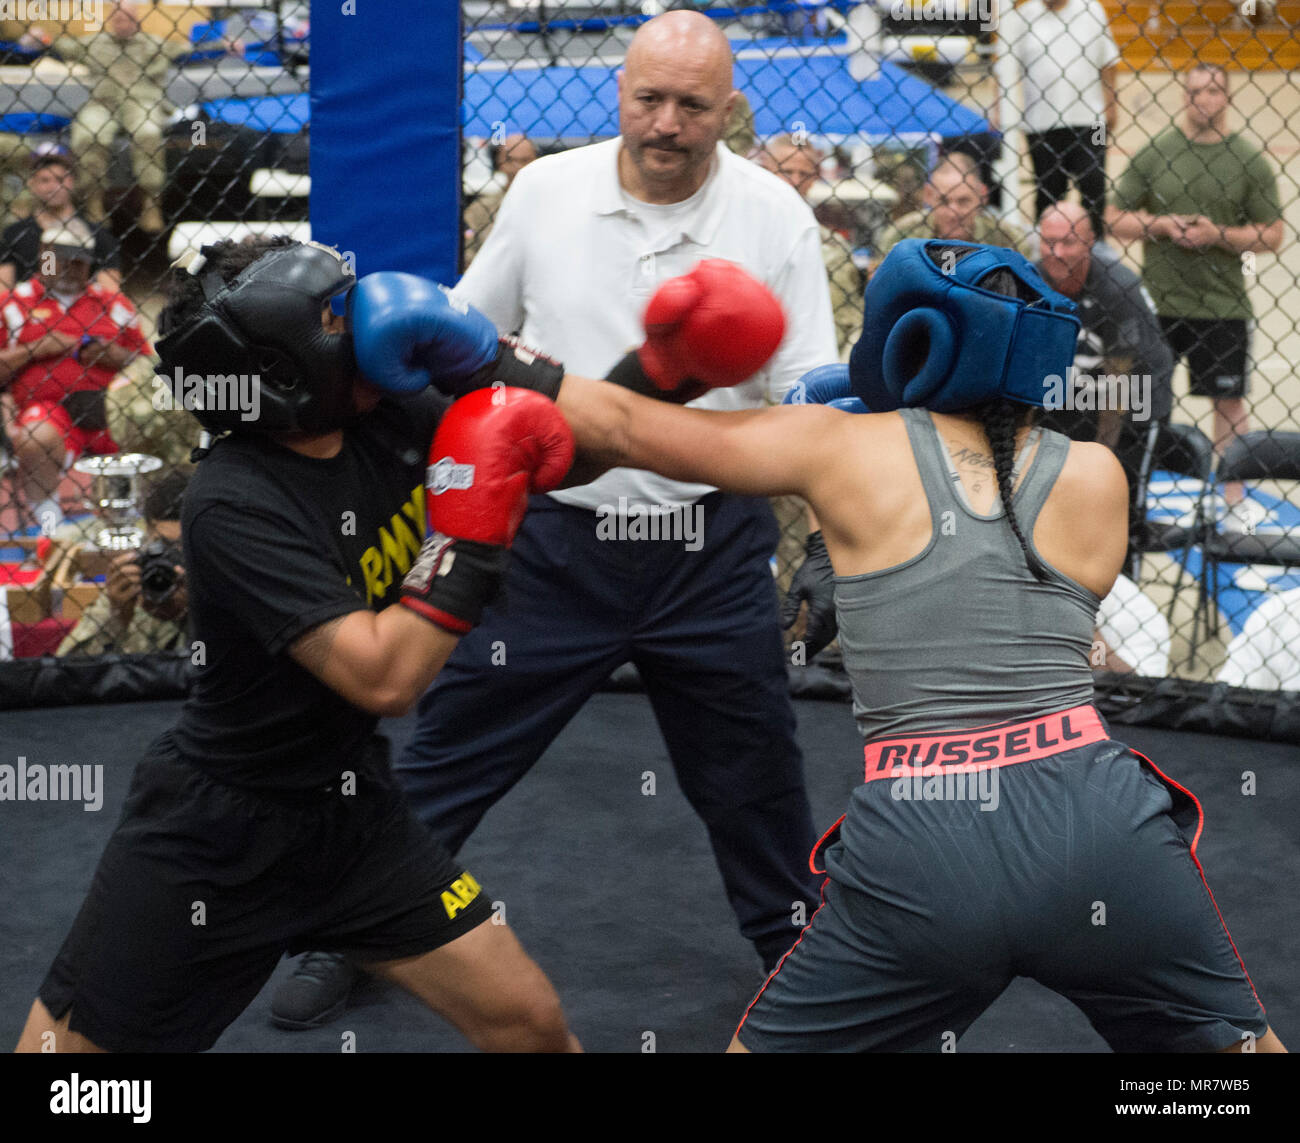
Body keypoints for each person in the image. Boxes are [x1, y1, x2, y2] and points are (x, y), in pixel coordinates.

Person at [542, 238, 1284, 1053]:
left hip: (926, 843)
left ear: (908, 340)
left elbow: (610, 428)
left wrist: (480, 352)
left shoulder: (836, 446)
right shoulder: (1099, 476)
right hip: (1102, 831)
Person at [272, 8, 836, 1027]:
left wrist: (840, 511)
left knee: (753, 774)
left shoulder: (774, 217)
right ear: (618, 91)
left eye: (691, 106)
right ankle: (350, 928)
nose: (665, 122)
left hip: (705, 550)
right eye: (648, 98)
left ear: (730, 111)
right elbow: (461, 339)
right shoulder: (544, 192)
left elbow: (807, 396)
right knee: (449, 752)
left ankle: (796, 950)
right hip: (553, 542)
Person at [14, 236, 584, 1053]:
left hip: (351, 815)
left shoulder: (393, 415)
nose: (357, 329)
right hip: (218, 835)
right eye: (329, 318)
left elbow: (586, 444)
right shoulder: (231, 498)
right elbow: (385, 678)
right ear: (281, 370)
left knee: (528, 1023)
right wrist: (471, 533)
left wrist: (650, 368)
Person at [1107, 63, 1284, 531]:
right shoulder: (1156, 154)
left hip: (1222, 306)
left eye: (1212, 90)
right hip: (1159, 303)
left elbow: (1272, 235)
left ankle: (1231, 498)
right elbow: (1111, 217)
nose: (1202, 99)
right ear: (1183, 96)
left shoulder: (1248, 161)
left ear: (1226, 97)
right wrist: (1161, 226)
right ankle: (1124, 488)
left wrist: (1218, 235)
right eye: (1194, 90)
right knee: (1138, 397)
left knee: (1228, 403)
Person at [1036, 201, 1174, 564]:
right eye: (1048, 242)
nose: (1057, 252)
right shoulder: (1031, 281)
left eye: (1068, 242)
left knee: (1115, 503)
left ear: (1089, 243)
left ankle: (1123, 582)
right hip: (1072, 394)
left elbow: (1119, 386)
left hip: (1135, 397)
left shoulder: (1118, 288)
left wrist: (1100, 461)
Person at [0, 223, 150, 537]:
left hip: (112, 411)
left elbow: (151, 367)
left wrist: (117, 356)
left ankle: (125, 531)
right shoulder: (14, 304)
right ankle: (50, 530)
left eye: (78, 262)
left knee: (149, 422)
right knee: (35, 434)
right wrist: (34, 349)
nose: (69, 268)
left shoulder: (114, 304)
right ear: (44, 257)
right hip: (53, 413)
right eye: (60, 259)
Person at [50, 1, 186, 233]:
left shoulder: (153, 43)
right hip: (104, 102)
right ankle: (93, 201)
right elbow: (60, 46)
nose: (123, 23)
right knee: (87, 135)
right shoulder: (95, 42)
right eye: (119, 18)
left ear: (138, 20)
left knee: (148, 134)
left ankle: (151, 202)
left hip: (141, 100)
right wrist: (40, 39)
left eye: (128, 18)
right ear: (112, 20)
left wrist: (226, 45)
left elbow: (191, 50)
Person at [992, 0, 1119, 238]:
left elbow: (1108, 62)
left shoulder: (1091, 9)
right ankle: (1047, 247)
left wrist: (1111, 105)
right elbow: (1004, 69)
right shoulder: (1022, 17)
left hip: (1093, 122)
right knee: (1048, 190)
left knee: (1094, 183)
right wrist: (998, 108)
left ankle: (1096, 246)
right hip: (1040, 123)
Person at [56, 467, 190, 657]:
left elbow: (204, 664)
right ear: (148, 536)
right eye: (166, 545)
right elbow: (68, 673)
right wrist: (117, 618)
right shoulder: (134, 581)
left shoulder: (228, 590)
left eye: (188, 547)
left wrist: (192, 614)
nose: (177, 558)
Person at [757, 134, 862, 357]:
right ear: (766, 171)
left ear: (814, 178)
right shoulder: (742, 231)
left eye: (803, 174)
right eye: (786, 171)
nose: (795, 181)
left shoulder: (834, 248)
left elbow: (848, 325)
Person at [871, 153, 1032, 272]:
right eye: (943, 201)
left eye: (963, 201)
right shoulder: (901, 235)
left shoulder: (1009, 241)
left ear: (982, 196)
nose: (953, 212)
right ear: (928, 195)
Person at [0, 146, 121, 292]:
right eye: (45, 180)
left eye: (60, 179)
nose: (53, 187)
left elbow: (111, 293)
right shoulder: (14, 234)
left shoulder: (97, 234)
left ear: (71, 182)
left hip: (82, 309)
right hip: (28, 309)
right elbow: (3, 292)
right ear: (32, 184)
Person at [463, 134, 538, 267]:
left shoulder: (551, 205)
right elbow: (465, 253)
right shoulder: (480, 209)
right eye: (510, 160)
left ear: (536, 161)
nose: (518, 167)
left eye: (525, 160)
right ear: (500, 163)